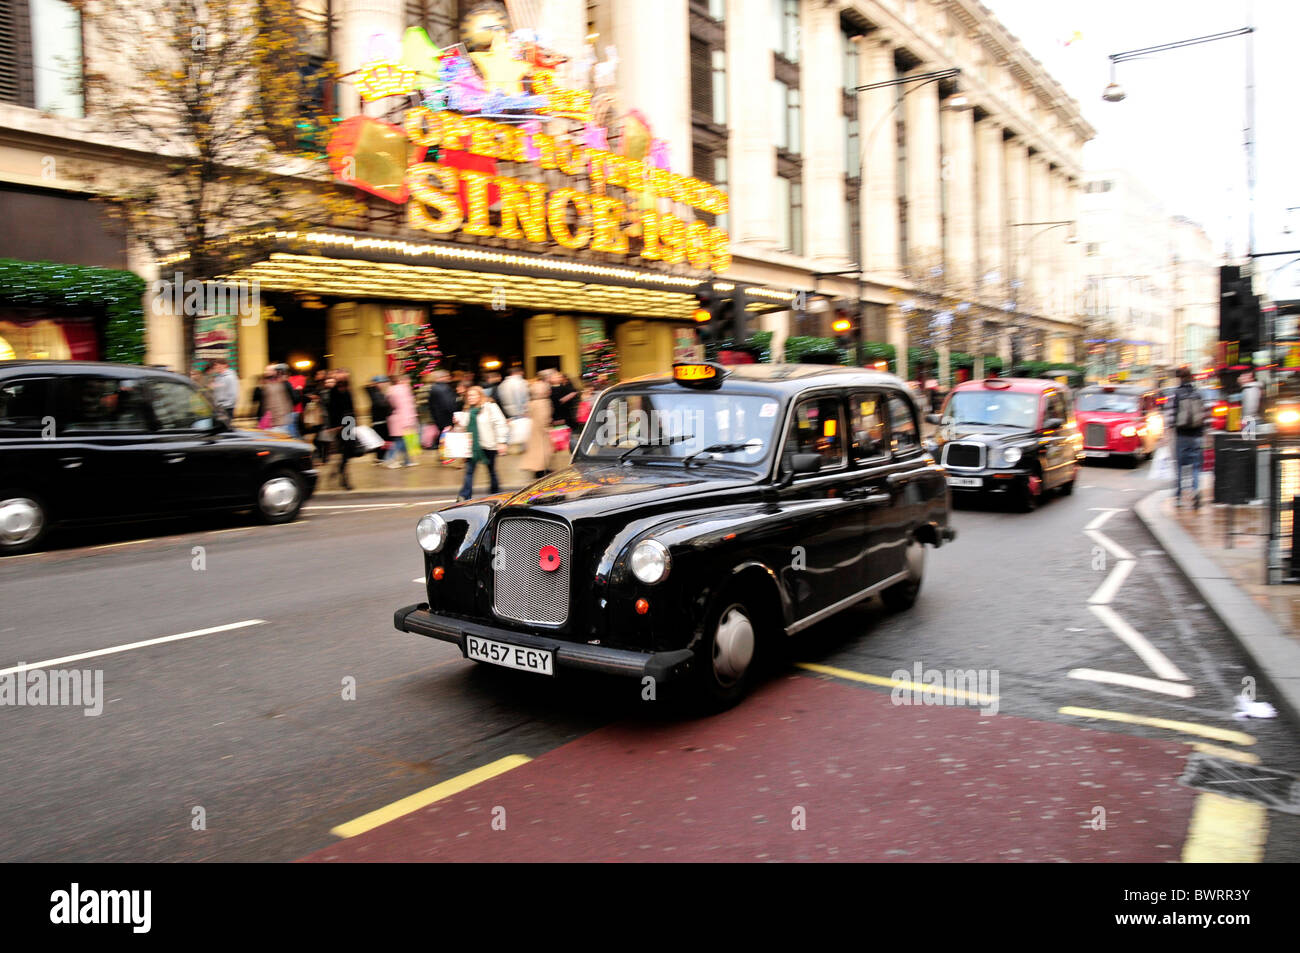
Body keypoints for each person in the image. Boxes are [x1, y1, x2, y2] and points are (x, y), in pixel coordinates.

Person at [456, 385, 509, 501]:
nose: (470, 397)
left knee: (491, 472)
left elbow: (500, 423)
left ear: (480, 395)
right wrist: (458, 422)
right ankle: (464, 496)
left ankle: (495, 494)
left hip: (488, 445)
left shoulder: (490, 407)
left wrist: (501, 441)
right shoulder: (467, 410)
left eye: (473, 395)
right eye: (469, 395)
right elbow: (464, 427)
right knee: (469, 472)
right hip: (472, 447)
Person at [1170, 366, 1206, 509]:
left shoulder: (1176, 393)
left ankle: (1179, 497)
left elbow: (1171, 415)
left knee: (1180, 467)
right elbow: (1204, 414)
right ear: (1192, 377)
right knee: (1196, 467)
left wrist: (1169, 432)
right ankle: (1195, 491)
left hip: (1182, 436)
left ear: (1180, 378)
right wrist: (1205, 433)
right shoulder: (1198, 393)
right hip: (1197, 435)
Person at [325, 369, 357, 490]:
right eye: (340, 375)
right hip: (340, 424)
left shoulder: (348, 389)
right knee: (345, 449)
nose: (343, 376)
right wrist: (334, 426)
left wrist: (355, 423)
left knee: (349, 450)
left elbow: (352, 407)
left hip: (349, 422)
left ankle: (339, 469)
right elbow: (331, 409)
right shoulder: (334, 391)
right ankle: (344, 478)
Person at [519, 377, 554, 480]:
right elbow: (544, 418)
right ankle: (541, 470)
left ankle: (538, 470)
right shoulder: (543, 402)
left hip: (533, 429)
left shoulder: (532, 402)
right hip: (541, 430)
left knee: (535, 450)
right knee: (543, 450)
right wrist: (547, 429)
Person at [384, 373, 418, 469]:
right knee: (400, 441)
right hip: (403, 420)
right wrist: (409, 422)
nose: (409, 382)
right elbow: (406, 408)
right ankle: (389, 460)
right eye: (407, 380)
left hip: (395, 419)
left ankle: (407, 461)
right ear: (401, 381)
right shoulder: (403, 390)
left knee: (405, 442)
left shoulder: (391, 389)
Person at [426, 369, 457, 454]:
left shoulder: (433, 388)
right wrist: (454, 414)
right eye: (447, 376)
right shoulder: (444, 388)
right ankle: (446, 454)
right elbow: (448, 404)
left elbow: (430, 405)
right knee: (447, 435)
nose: (448, 378)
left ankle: (443, 453)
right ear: (442, 377)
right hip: (446, 417)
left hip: (438, 417)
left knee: (443, 435)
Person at [365, 376, 392, 463]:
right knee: (382, 440)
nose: (384, 384)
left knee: (382, 440)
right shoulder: (375, 392)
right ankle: (380, 458)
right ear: (377, 384)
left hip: (380, 420)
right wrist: (389, 407)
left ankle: (381, 457)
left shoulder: (377, 392)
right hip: (379, 421)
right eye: (382, 382)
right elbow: (381, 405)